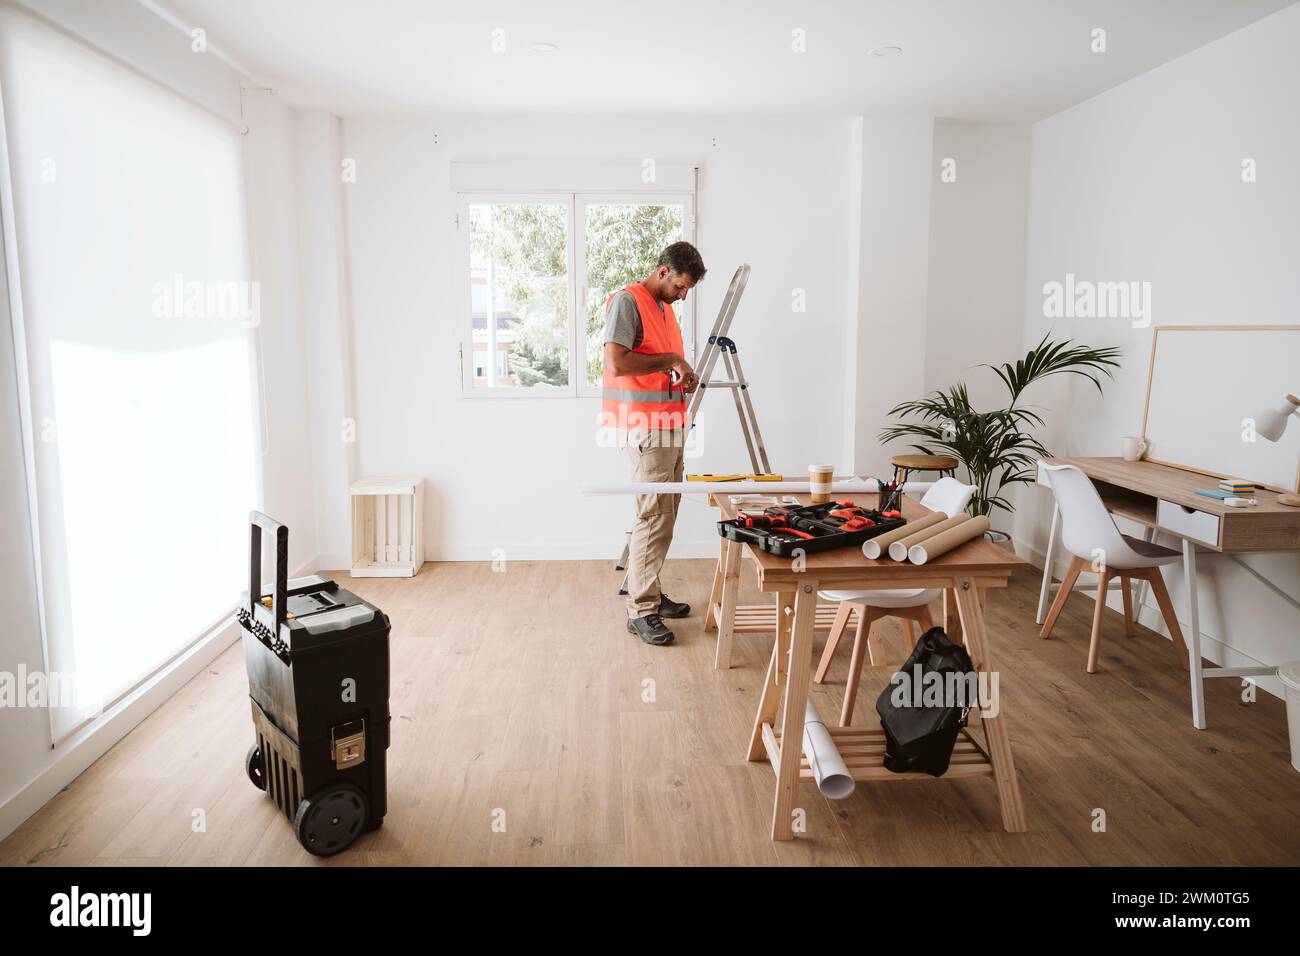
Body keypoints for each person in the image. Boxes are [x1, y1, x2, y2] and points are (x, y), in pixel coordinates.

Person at [601, 241, 707, 645]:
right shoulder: (629, 302)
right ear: (663, 271)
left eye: (687, 292)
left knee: (665, 512)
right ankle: (641, 610)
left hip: (668, 425)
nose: (682, 296)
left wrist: (681, 372)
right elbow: (618, 362)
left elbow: (663, 363)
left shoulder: (662, 309)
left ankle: (652, 593)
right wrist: (671, 362)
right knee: (652, 515)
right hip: (647, 428)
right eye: (680, 287)